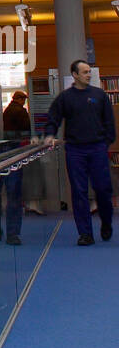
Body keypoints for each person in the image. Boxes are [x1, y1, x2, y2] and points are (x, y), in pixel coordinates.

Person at [45, 59, 115, 246]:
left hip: (98, 148)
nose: (88, 75)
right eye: (84, 72)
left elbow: (109, 123)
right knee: (79, 192)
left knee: (103, 189)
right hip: (75, 150)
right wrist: (50, 134)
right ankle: (85, 234)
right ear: (75, 75)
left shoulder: (99, 95)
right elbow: (53, 117)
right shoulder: (65, 98)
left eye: (89, 71)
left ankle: (106, 223)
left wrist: (105, 143)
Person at [0, 90, 31, 245]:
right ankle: (13, 233)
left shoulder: (5, 111)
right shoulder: (21, 112)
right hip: (14, 151)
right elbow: (26, 132)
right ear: (20, 99)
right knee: (14, 194)